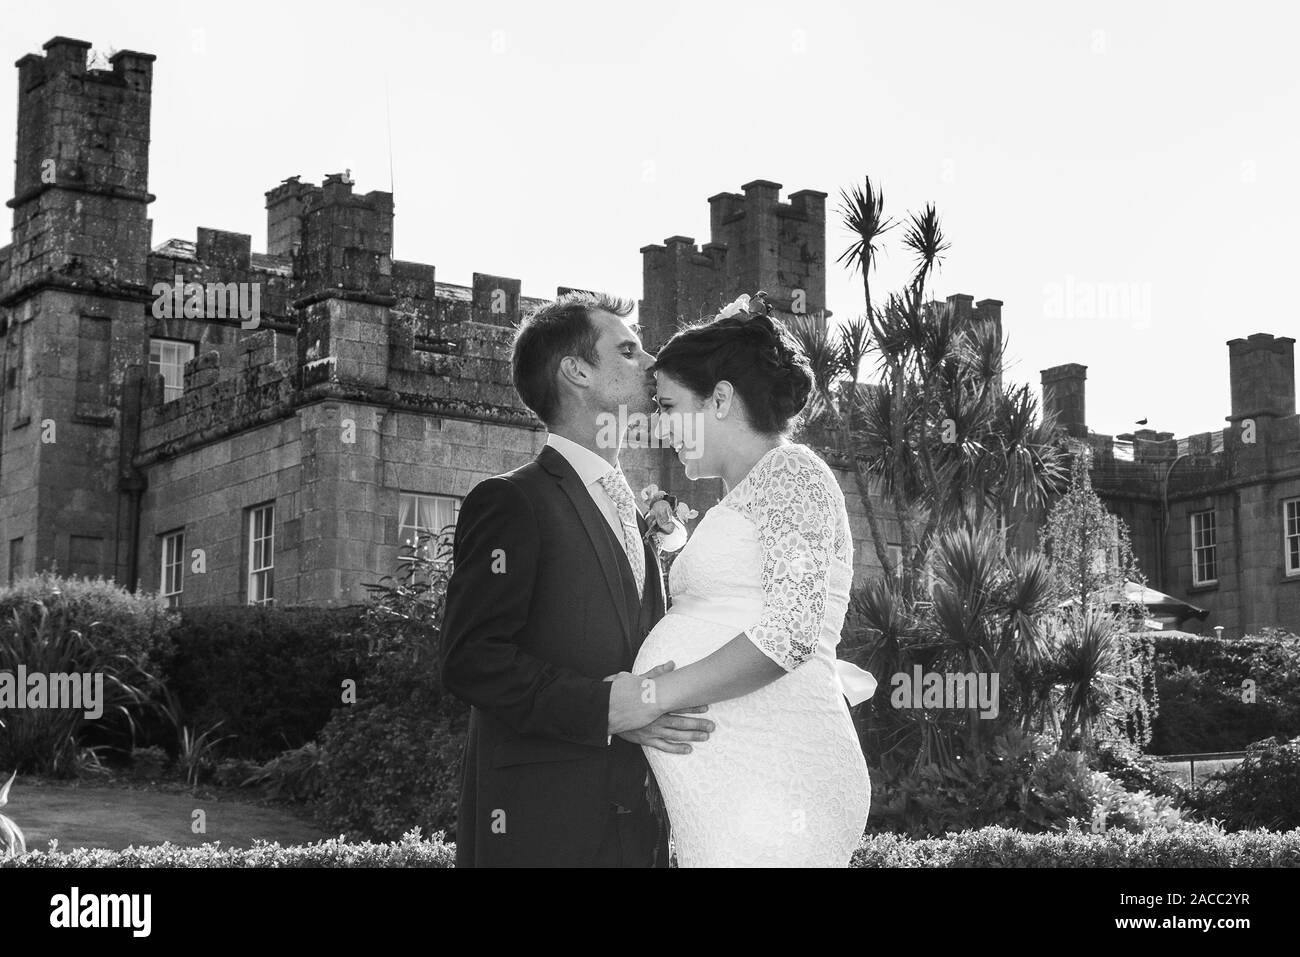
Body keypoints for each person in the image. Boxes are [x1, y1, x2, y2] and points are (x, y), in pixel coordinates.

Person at [440, 291, 714, 867]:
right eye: (629, 350)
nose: (651, 365)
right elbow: (471, 659)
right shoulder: (512, 501)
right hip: (539, 832)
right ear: (577, 371)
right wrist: (603, 709)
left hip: (636, 831)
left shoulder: (636, 516)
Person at [625, 292, 876, 867]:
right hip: (736, 779)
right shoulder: (742, 496)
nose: (661, 426)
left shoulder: (794, 472)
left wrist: (649, 697)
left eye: (667, 405)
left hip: (779, 772)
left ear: (719, 398)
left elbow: (790, 634)